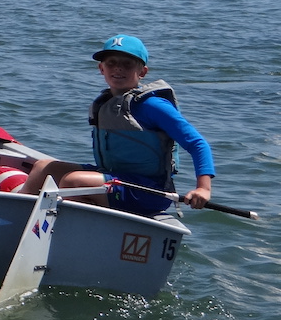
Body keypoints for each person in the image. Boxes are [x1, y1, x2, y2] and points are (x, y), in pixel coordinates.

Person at [19, 34, 213, 214]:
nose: (118, 68)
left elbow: (197, 144)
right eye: (112, 63)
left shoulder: (153, 105)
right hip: (114, 178)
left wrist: (203, 188)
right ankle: (16, 216)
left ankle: (63, 229)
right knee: (44, 167)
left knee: (74, 181)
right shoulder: (105, 103)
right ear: (101, 68)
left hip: (149, 192)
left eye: (127, 64)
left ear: (142, 71)